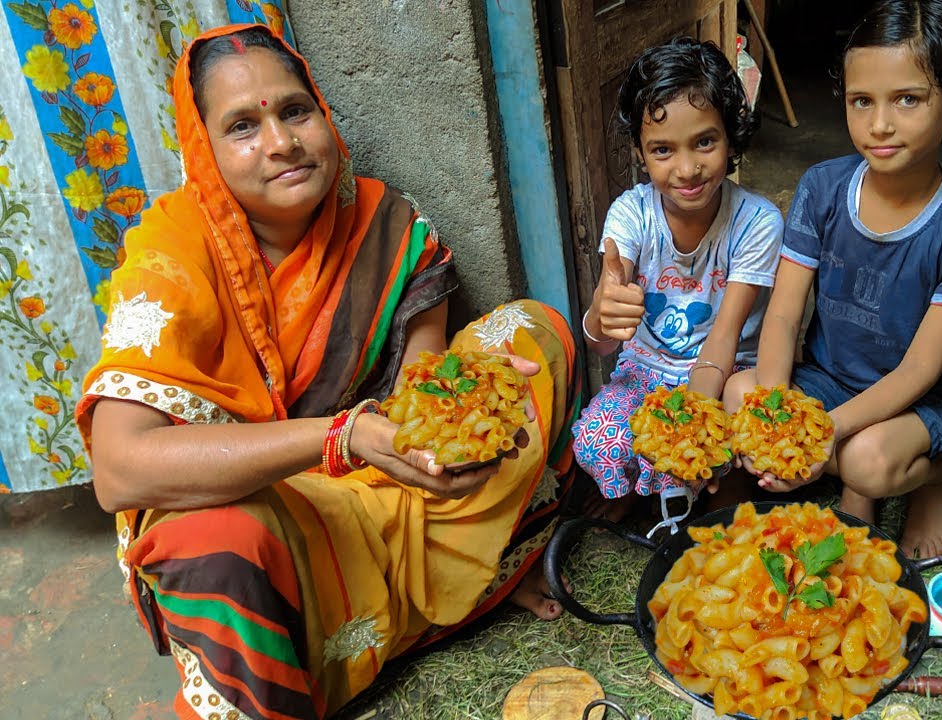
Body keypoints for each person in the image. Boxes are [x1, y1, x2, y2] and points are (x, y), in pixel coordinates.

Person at [74, 24, 579, 720]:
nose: (281, 142)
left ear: (324, 114)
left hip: (385, 473)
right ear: (205, 150)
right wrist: (339, 438)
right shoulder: (171, 252)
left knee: (531, 333)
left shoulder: (383, 221)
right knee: (211, 541)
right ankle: (308, 662)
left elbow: (415, 392)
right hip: (277, 510)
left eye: (294, 110)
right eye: (243, 126)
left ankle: (476, 583)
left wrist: (460, 401)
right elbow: (120, 470)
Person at [724, 0, 942, 558]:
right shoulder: (822, 188)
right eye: (861, 101)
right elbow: (783, 315)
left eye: (907, 99)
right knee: (741, 393)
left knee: (865, 462)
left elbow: (921, 369)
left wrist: (820, 435)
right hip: (829, 378)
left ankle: (934, 479)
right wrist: (779, 419)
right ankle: (845, 465)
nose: (879, 124)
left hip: (922, 396)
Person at [570, 37, 783, 526]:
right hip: (645, 373)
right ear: (640, 153)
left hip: (720, 374)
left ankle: (699, 487)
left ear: (731, 137)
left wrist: (690, 424)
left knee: (694, 455)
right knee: (598, 441)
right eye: (663, 150)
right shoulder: (631, 214)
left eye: (704, 142)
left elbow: (725, 337)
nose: (686, 169)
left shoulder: (758, 222)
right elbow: (600, 343)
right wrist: (603, 316)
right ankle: (645, 484)